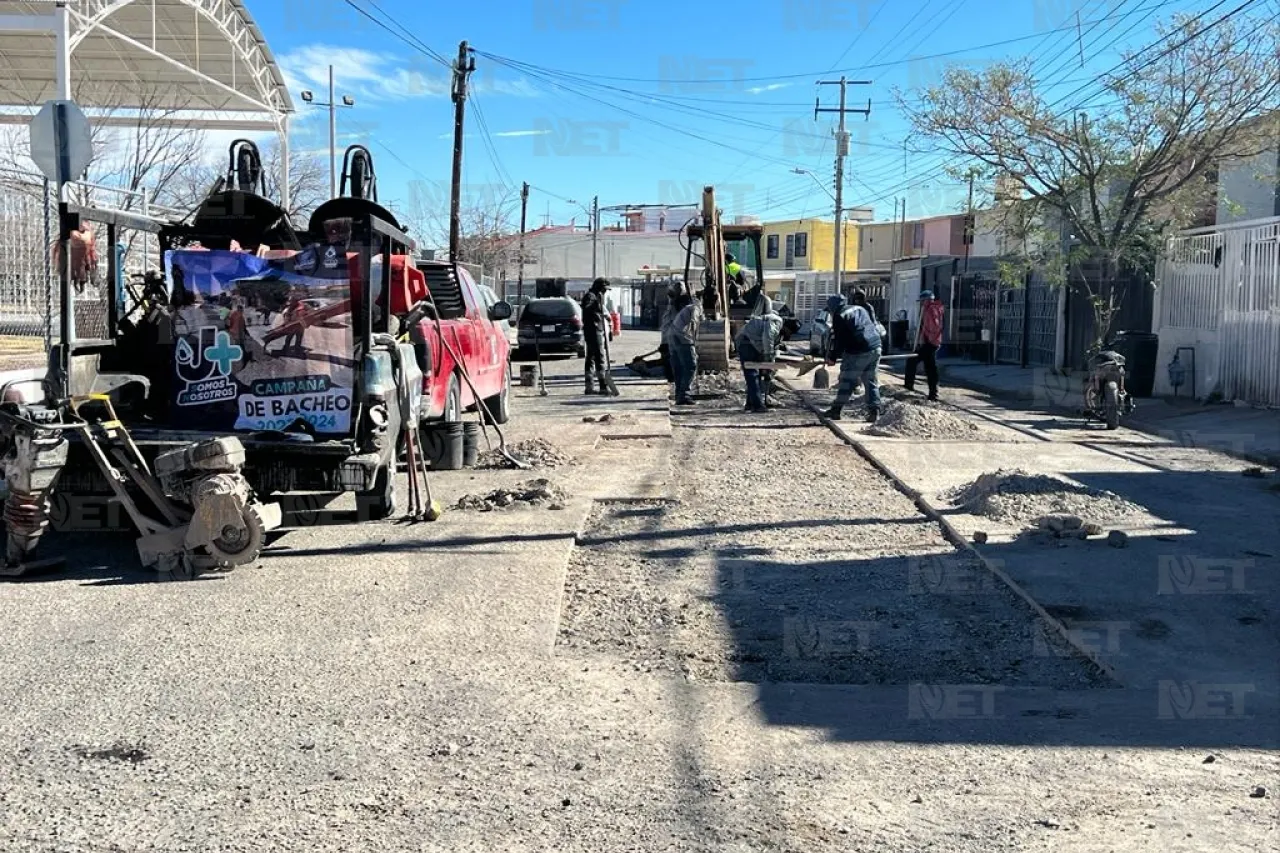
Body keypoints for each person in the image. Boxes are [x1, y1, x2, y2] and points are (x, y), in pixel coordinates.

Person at [823, 293, 882, 423]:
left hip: (859, 350)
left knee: (847, 380)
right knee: (870, 380)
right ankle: (875, 411)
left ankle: (836, 410)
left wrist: (832, 357)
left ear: (833, 307)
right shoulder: (859, 308)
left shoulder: (840, 315)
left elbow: (840, 340)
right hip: (876, 346)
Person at [734, 299, 784, 413]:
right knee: (752, 375)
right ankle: (757, 405)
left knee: (752, 375)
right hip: (747, 344)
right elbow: (768, 338)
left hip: (745, 343)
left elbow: (765, 340)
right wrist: (768, 359)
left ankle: (750, 403)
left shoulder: (764, 319)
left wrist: (768, 361)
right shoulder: (776, 321)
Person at [905, 290, 944, 401]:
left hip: (931, 342)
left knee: (915, 362)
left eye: (922, 301)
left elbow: (934, 327)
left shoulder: (931, 310)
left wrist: (929, 340)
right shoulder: (930, 309)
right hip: (930, 342)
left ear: (926, 300)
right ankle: (933, 393)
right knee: (929, 366)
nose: (921, 303)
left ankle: (909, 387)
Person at [667, 283, 701, 406]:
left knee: (679, 367)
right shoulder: (696, 308)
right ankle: (684, 395)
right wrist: (695, 343)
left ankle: (679, 395)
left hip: (672, 336)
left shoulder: (684, 309)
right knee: (691, 365)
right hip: (682, 337)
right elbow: (693, 323)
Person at [581, 277, 611, 395]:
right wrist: (596, 304)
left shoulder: (596, 297)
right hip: (593, 331)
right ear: (600, 288)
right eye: (605, 289)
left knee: (591, 358)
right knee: (599, 358)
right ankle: (603, 386)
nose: (605, 292)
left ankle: (589, 386)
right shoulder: (591, 297)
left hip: (594, 329)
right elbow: (587, 309)